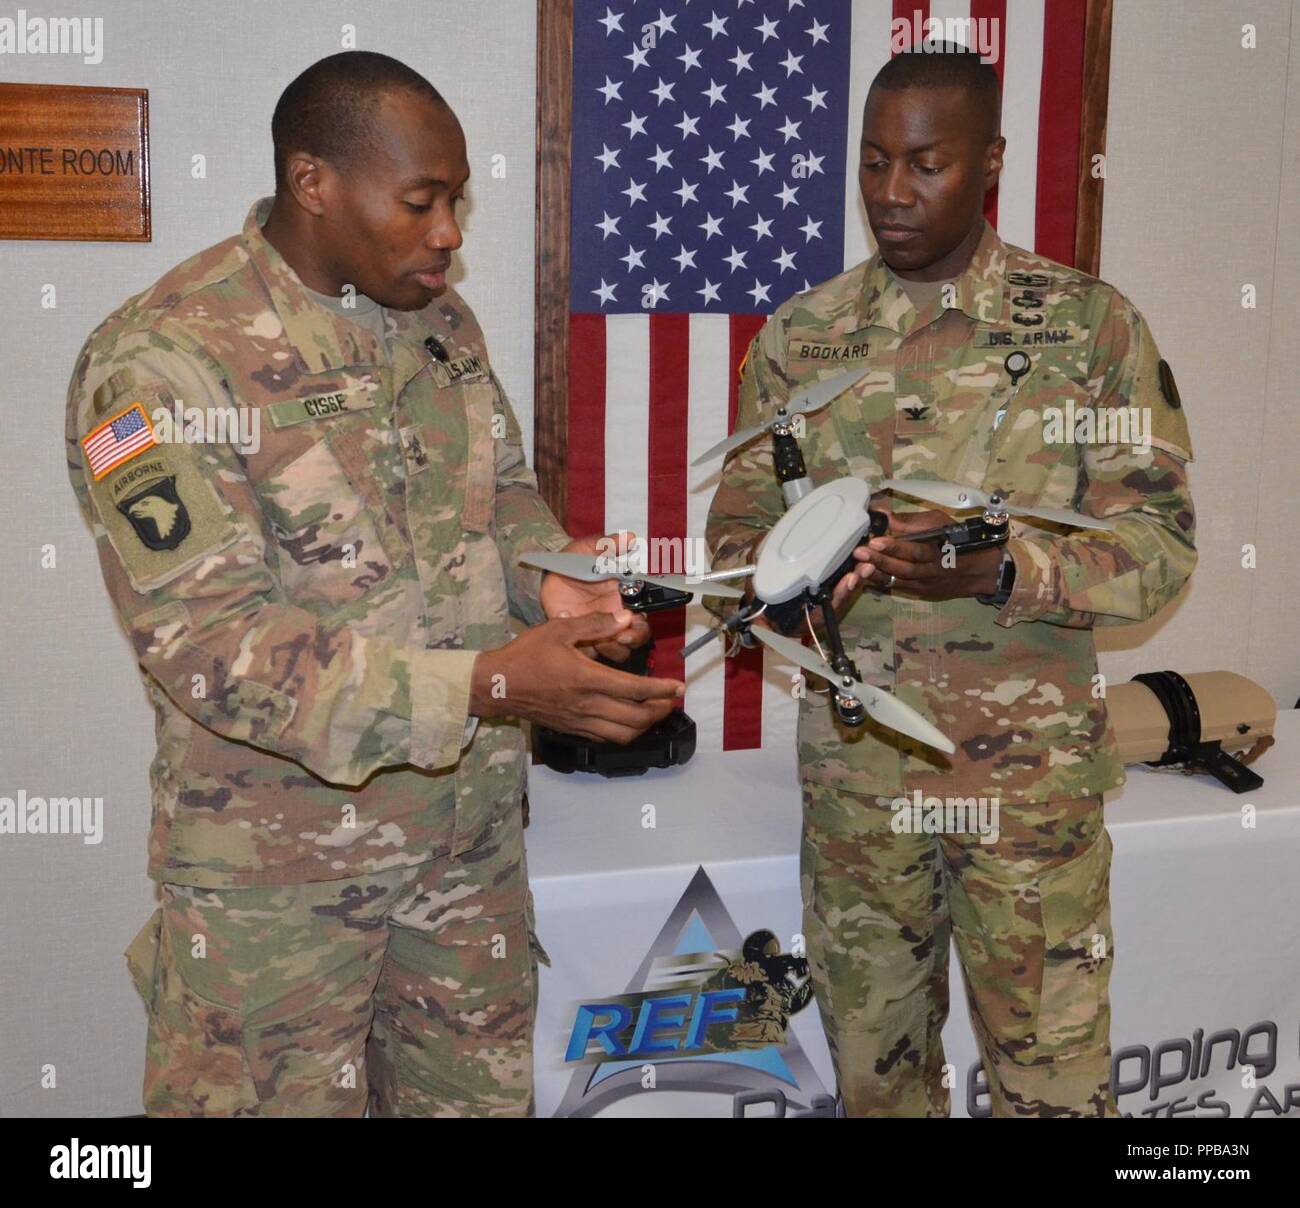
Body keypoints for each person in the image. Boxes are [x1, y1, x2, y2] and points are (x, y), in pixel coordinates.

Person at [65, 50, 683, 1117]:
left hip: (463, 857)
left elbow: (507, 501)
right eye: (421, 200)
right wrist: (490, 686)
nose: (449, 231)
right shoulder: (161, 362)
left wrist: (556, 586)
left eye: (457, 201)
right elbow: (216, 649)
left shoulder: (438, 324)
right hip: (279, 893)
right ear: (314, 182)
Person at [705, 47, 1195, 1117]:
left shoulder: (1089, 330)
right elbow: (736, 543)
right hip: (860, 797)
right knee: (880, 1089)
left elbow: (1158, 545)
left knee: (1054, 1092)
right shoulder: (800, 339)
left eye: (925, 162)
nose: (890, 192)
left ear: (990, 162)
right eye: (873, 160)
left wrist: (1006, 566)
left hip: (1029, 800)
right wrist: (786, 595)